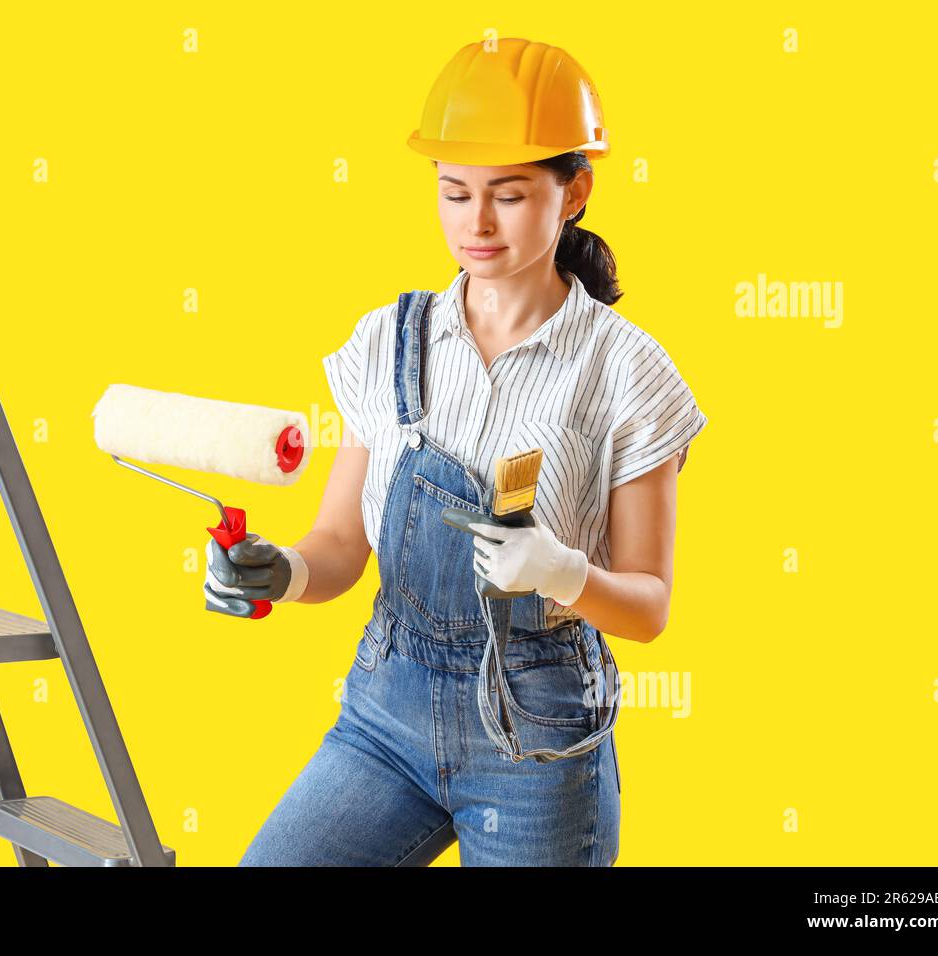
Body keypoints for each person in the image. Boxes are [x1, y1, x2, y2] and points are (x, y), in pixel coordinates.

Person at [204, 38, 707, 866]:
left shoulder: (627, 372)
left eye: (508, 196)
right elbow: (338, 547)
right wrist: (280, 572)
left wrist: (562, 573)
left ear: (573, 191)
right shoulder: (388, 342)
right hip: (384, 713)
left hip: (538, 743)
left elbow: (650, 607)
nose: (475, 224)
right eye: (454, 192)